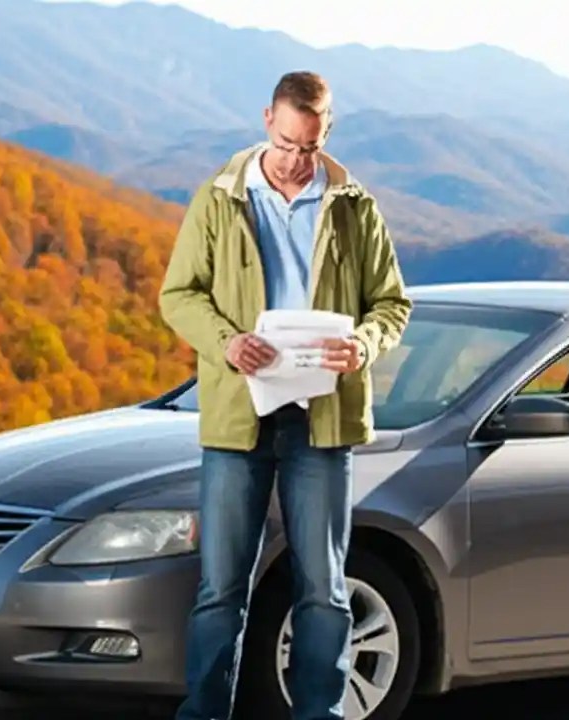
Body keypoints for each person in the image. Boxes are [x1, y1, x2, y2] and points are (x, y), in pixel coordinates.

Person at [157, 71, 413, 720]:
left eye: (312, 146)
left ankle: (320, 715)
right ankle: (206, 713)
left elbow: (392, 305)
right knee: (220, 588)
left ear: (327, 130)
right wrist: (224, 342)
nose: (300, 160)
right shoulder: (219, 199)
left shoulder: (357, 207)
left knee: (324, 588)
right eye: (291, 143)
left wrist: (364, 344)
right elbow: (178, 294)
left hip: (323, 422)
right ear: (268, 118)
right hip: (239, 417)